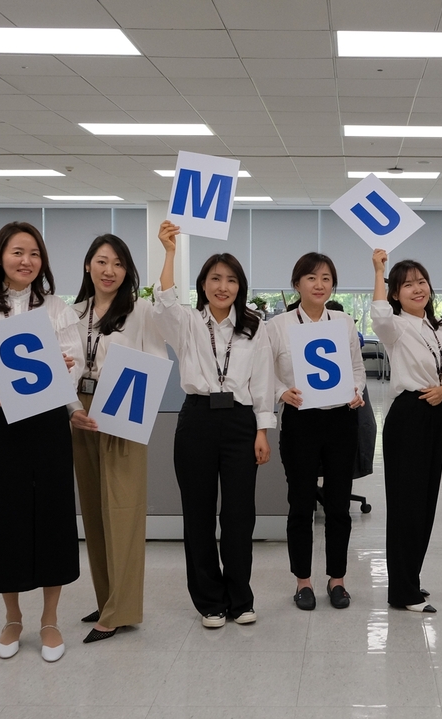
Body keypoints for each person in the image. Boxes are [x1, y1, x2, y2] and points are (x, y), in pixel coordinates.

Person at [152, 220, 274, 629]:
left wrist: (262, 430)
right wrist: (170, 252)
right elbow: (164, 302)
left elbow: (263, 381)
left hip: (240, 423)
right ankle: (209, 601)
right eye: (215, 279)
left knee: (239, 515)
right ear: (203, 284)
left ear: (240, 286)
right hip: (197, 419)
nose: (223, 287)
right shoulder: (187, 322)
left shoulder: (254, 326)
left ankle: (240, 599)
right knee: (198, 513)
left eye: (231, 280)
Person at [0, 221, 83, 663]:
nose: (26, 261)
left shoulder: (57, 309)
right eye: (18, 252)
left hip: (48, 421)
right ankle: (12, 616)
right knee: (5, 516)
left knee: (52, 513)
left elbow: (73, 364)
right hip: (0, 421)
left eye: (34, 253)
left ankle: (50, 618)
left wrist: (64, 368)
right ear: (0, 256)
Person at [68, 234, 167, 644]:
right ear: (88, 265)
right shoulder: (73, 313)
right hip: (79, 409)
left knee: (123, 508)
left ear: (127, 271)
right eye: (102, 261)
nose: (109, 271)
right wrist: (71, 407)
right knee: (94, 509)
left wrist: (123, 408)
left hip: (123, 409)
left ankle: (121, 609)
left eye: (118, 263)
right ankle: (107, 598)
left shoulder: (140, 311)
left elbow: (157, 361)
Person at [265, 253, 366, 611]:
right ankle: (303, 581)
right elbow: (265, 373)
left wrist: (356, 390)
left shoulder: (343, 322)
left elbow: (357, 368)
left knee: (338, 505)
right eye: (311, 278)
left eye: (326, 278)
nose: (319, 285)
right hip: (300, 421)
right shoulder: (278, 326)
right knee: (301, 503)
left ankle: (337, 580)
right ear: (297, 284)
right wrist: (282, 392)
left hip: (340, 420)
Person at [370, 249, 442, 613]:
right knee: (406, 505)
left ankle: (411, 578)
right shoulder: (395, 327)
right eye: (407, 285)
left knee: (425, 503)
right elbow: (379, 314)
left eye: (422, 282)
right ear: (396, 293)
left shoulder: (440, 327)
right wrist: (379, 270)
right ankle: (402, 591)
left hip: (435, 411)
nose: (417, 289)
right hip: (407, 414)